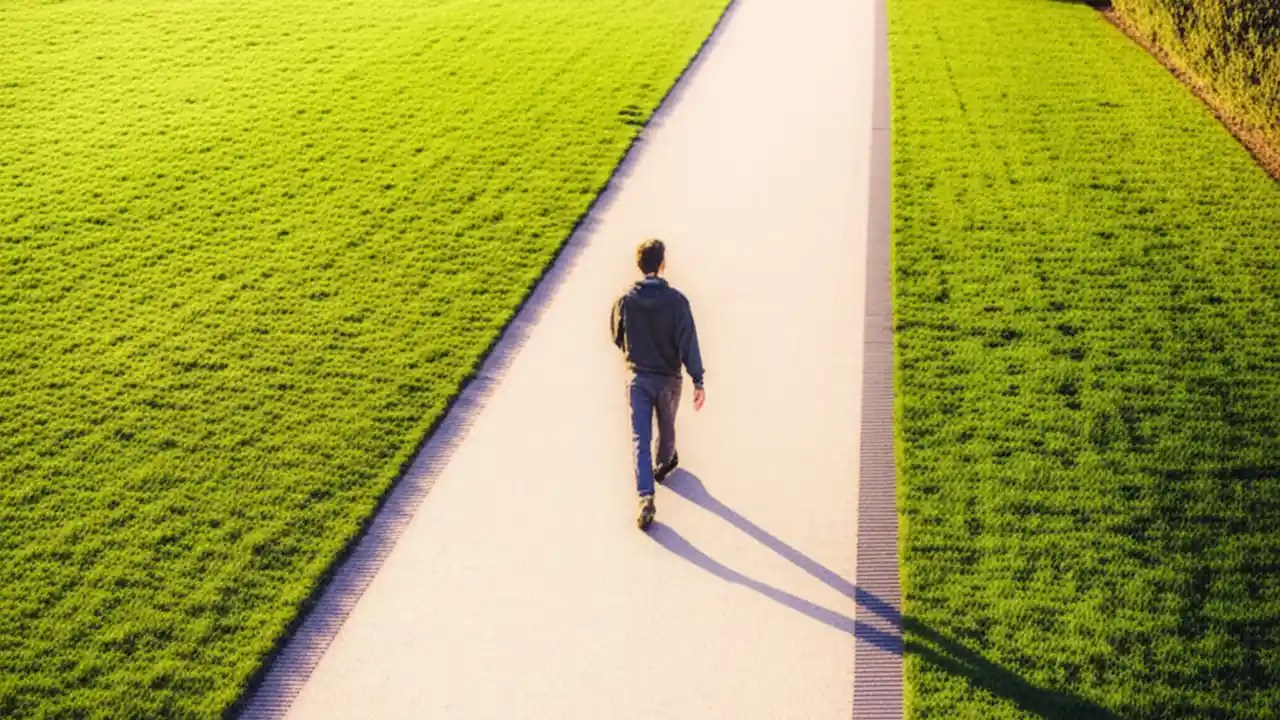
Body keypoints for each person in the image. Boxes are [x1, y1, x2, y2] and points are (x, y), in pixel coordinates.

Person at [610, 238, 706, 530]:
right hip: (668, 377)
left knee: (640, 436)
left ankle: (645, 497)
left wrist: (632, 352)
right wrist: (697, 379)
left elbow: (616, 333)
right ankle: (665, 462)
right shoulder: (677, 301)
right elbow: (688, 341)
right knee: (666, 425)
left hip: (637, 376)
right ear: (662, 264)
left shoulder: (625, 300)